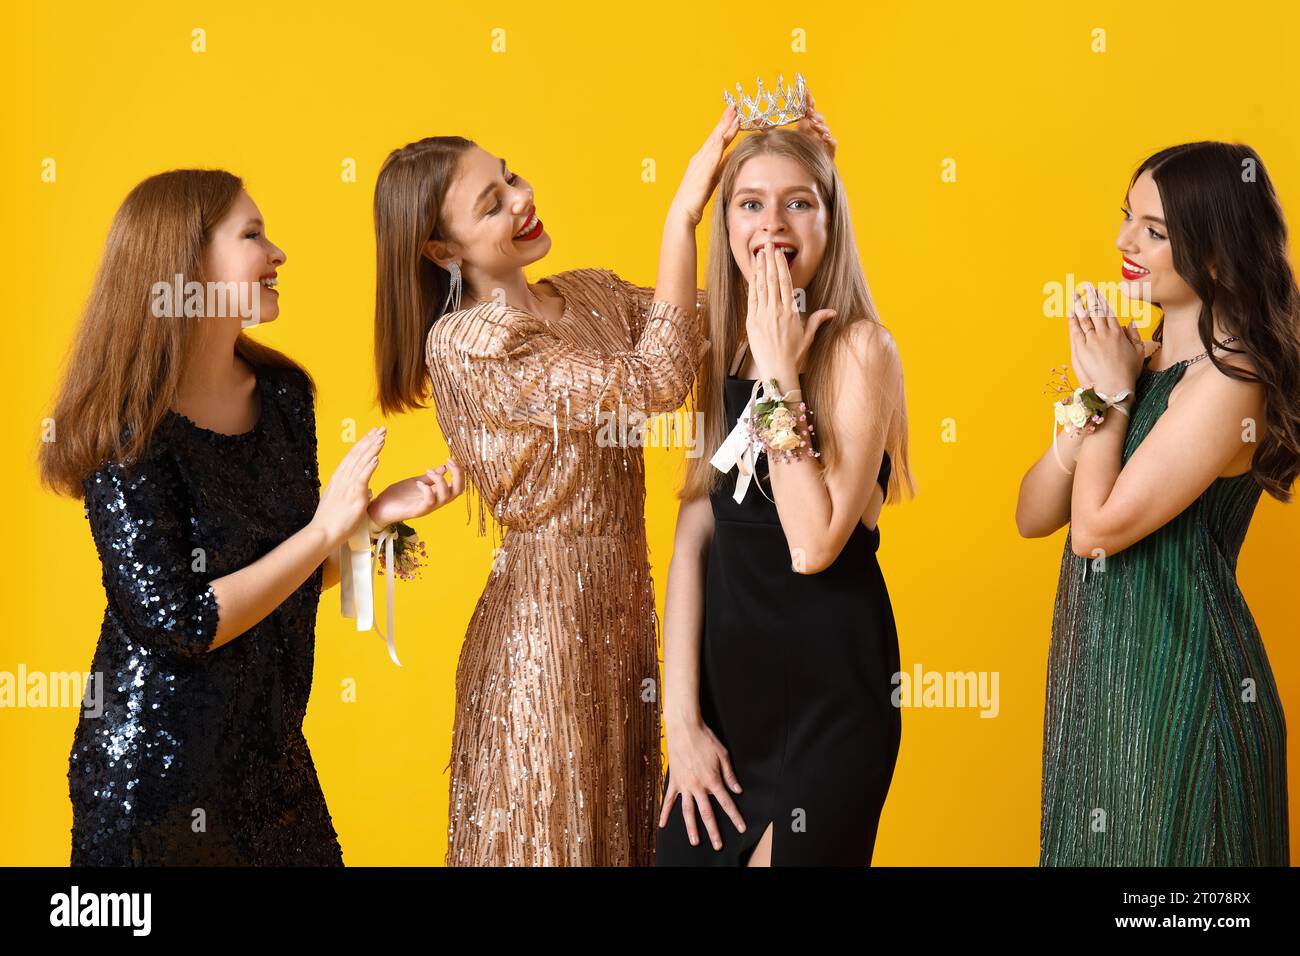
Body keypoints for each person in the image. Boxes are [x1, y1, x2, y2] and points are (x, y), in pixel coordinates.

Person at [41, 169, 458, 865]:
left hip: (271, 761)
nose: (278, 254)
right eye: (252, 235)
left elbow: (286, 578)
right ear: (185, 262)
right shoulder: (128, 435)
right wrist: (328, 528)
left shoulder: (284, 395)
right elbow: (183, 622)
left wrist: (375, 519)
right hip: (156, 780)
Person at [371, 108, 738, 864]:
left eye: (510, 175)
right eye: (491, 202)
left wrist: (773, 187)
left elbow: (716, 325)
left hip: (623, 617)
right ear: (442, 250)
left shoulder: (593, 293)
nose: (521, 196)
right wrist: (682, 215)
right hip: (541, 645)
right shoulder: (471, 346)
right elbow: (659, 377)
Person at [1016, 142, 1299, 865]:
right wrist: (1096, 400)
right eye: (1125, 219)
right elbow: (1034, 513)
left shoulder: (1231, 383)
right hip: (1105, 689)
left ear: (1213, 254)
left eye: (1153, 230)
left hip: (1183, 693)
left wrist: (1110, 399)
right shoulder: (1139, 363)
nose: (1122, 242)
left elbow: (1095, 531)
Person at [656, 104, 915, 866]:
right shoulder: (724, 349)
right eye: (750, 203)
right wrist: (682, 721)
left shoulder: (863, 350)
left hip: (831, 706)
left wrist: (779, 376)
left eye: (800, 202)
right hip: (726, 710)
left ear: (830, 225)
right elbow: (693, 540)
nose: (774, 223)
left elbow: (811, 544)